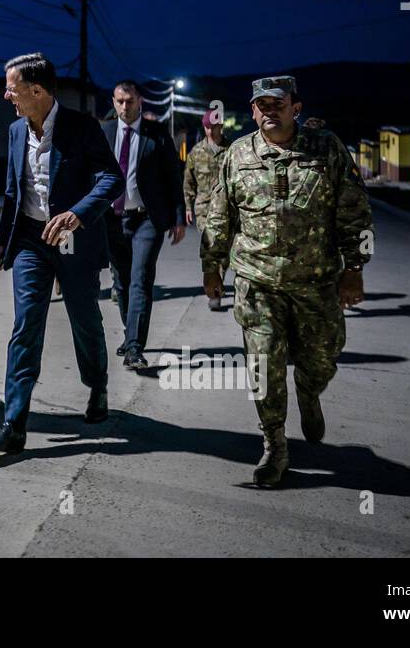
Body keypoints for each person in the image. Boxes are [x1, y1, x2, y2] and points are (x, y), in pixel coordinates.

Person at [200, 76, 371, 487]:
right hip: (257, 282)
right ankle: (274, 446)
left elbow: (354, 210)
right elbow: (220, 215)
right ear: (253, 110)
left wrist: (354, 268)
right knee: (263, 366)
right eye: (261, 104)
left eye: (278, 102)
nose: (269, 110)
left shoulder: (326, 148)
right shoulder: (238, 155)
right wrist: (212, 266)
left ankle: (310, 390)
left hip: (316, 282)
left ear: (296, 107)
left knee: (324, 355)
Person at [0, 53, 124, 454]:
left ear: (37, 90)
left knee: (84, 317)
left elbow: (111, 178)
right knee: (26, 323)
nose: (7, 94)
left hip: (72, 239)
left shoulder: (81, 128)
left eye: (12, 87)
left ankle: (97, 385)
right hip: (29, 238)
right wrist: (1, 242)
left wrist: (77, 214)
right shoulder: (14, 131)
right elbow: (14, 190)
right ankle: (14, 421)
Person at [102, 81, 186, 369]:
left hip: (147, 219)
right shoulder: (105, 132)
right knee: (121, 283)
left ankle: (135, 348)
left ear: (141, 102)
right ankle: (130, 335)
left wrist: (178, 217)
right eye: (120, 101)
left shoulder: (157, 134)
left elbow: (173, 178)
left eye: (130, 101)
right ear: (114, 102)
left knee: (140, 280)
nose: (125, 107)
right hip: (112, 220)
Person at [184, 111, 230, 310]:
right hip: (204, 209)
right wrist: (187, 206)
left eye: (214, 126)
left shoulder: (232, 150)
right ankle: (215, 292)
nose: (211, 130)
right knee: (210, 246)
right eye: (207, 127)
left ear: (221, 126)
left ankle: (217, 282)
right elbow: (188, 182)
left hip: (227, 209)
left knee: (225, 254)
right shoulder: (195, 152)